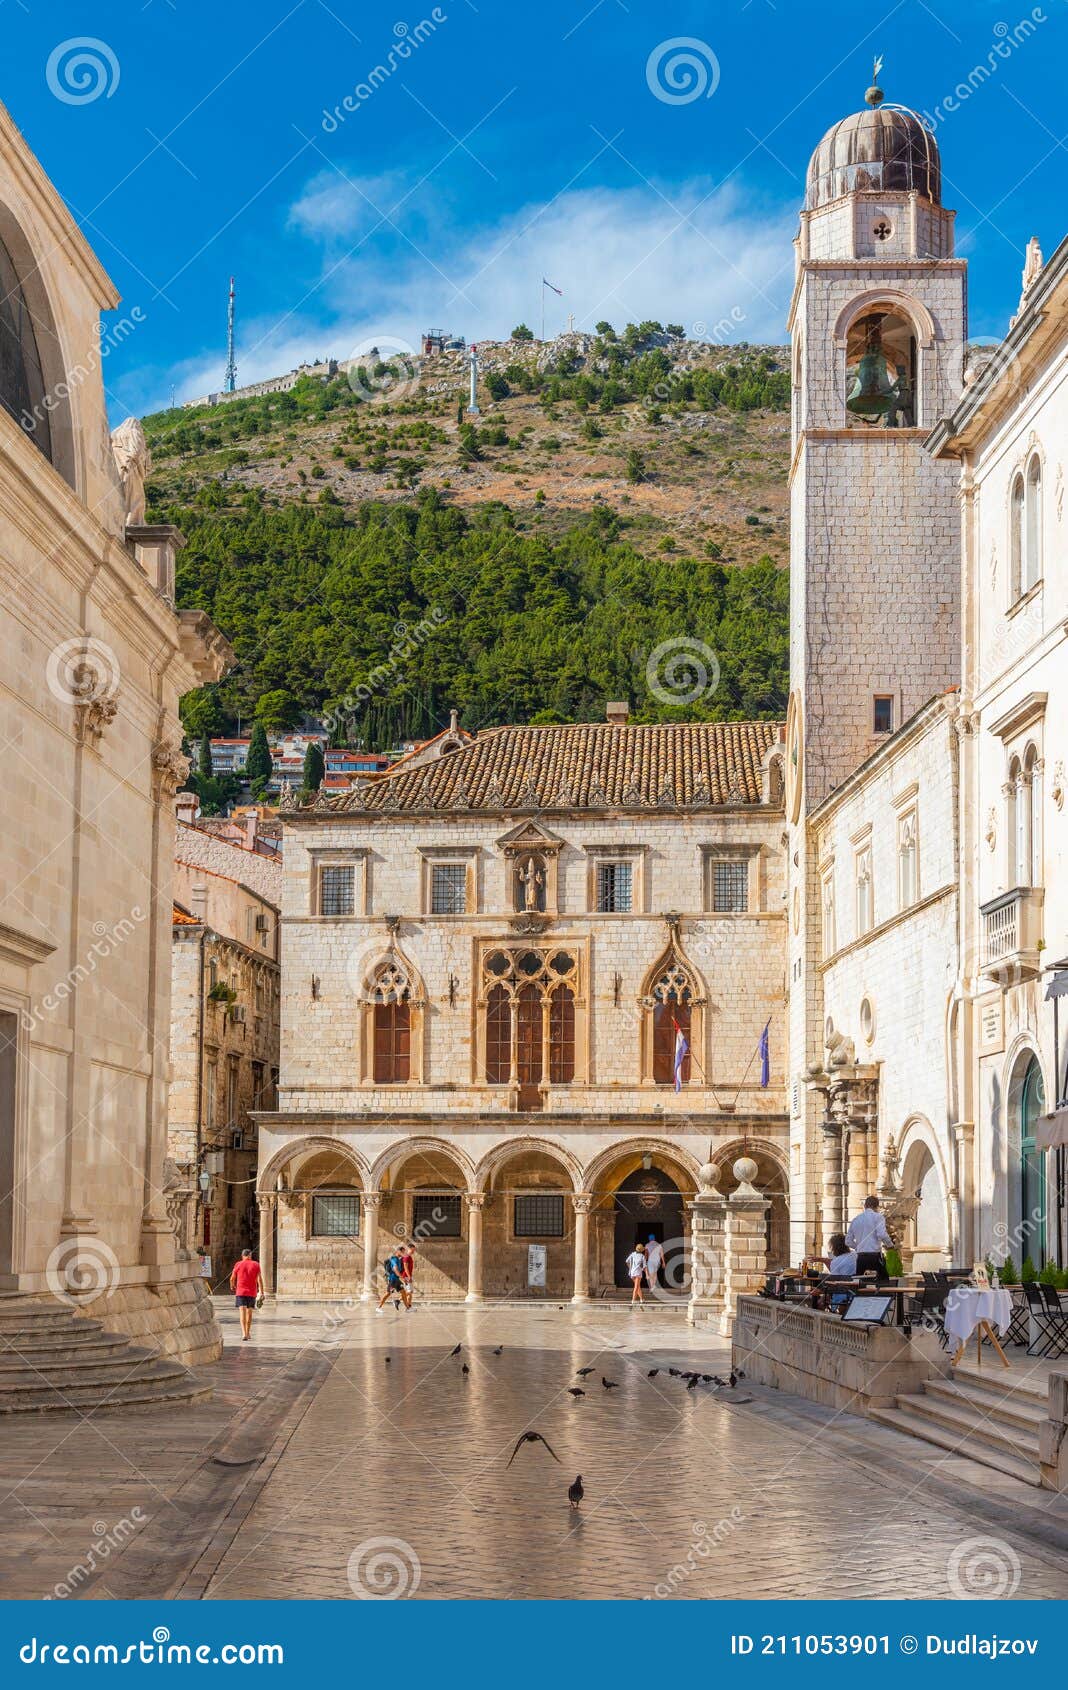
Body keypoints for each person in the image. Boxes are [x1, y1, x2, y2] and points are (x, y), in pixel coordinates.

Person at [846, 1195, 893, 1282]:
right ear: (877, 1206)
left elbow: (848, 1241)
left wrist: (859, 1246)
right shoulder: (878, 1217)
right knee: (884, 1280)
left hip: (861, 1257)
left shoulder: (856, 1219)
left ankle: (859, 1295)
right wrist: (890, 1245)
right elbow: (882, 1234)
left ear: (865, 1206)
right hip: (874, 1255)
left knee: (858, 1282)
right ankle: (882, 1295)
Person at [229, 1248, 262, 1341]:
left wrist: (232, 1286)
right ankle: (248, 1332)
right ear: (250, 1256)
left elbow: (232, 1278)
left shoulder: (238, 1264)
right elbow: (259, 1279)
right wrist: (262, 1292)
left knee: (242, 1312)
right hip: (252, 1292)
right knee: (249, 1313)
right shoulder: (256, 1264)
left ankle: (244, 1334)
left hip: (240, 1291)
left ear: (242, 1256)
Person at [376, 1246, 407, 1313]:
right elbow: (395, 1269)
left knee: (403, 1292)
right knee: (388, 1293)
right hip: (393, 1280)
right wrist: (402, 1278)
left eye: (404, 1252)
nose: (403, 1253)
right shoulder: (394, 1259)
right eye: (402, 1252)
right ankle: (379, 1307)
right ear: (398, 1251)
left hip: (397, 1280)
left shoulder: (398, 1259)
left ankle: (408, 1308)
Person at [625, 1242, 647, 1308]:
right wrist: (647, 1274)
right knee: (636, 1287)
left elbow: (627, 1261)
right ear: (642, 1250)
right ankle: (633, 1300)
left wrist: (630, 1268)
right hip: (638, 1273)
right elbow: (645, 1266)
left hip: (632, 1273)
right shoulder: (642, 1256)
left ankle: (641, 1299)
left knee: (637, 1286)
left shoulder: (633, 1254)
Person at [398, 1241, 415, 1310]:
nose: (413, 1251)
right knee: (409, 1291)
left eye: (414, 1250)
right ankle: (397, 1301)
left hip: (407, 1276)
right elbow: (405, 1267)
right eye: (412, 1249)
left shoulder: (408, 1256)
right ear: (409, 1249)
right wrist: (409, 1276)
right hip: (406, 1276)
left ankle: (409, 1307)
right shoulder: (406, 1257)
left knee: (410, 1292)